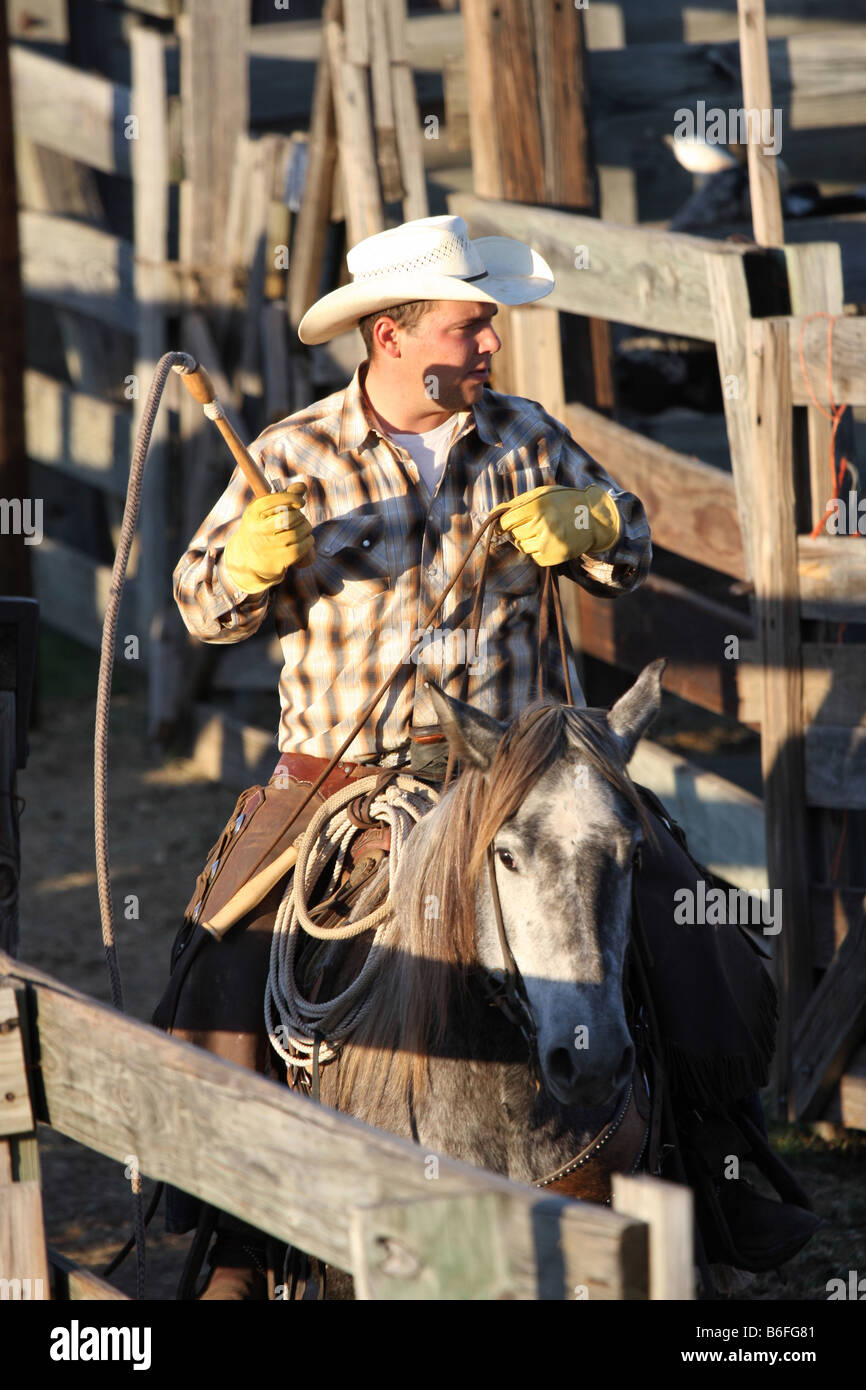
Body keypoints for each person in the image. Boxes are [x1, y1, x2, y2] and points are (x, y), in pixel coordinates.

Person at [156, 215, 817, 1298]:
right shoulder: (288, 453)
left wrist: (596, 526)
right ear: (392, 335)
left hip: (519, 772)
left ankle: (712, 1171)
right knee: (217, 959)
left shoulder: (525, 434)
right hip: (344, 778)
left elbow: (632, 541)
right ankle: (235, 1228)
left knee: (680, 921)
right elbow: (198, 605)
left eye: (488, 327)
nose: (489, 346)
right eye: (471, 327)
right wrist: (240, 564)